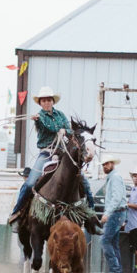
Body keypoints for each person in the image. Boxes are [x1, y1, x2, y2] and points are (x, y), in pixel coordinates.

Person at [9, 86, 95, 224]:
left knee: (83, 180)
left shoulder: (60, 115)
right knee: (30, 182)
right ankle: (17, 213)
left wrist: (65, 131)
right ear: (40, 103)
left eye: (48, 100)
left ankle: (91, 214)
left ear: (52, 101)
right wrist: (42, 122)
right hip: (46, 153)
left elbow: (69, 129)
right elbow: (48, 127)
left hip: (61, 153)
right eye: (43, 101)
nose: (46, 103)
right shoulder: (40, 117)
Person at [97, 154, 127, 273]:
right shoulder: (113, 177)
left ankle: (115, 270)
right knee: (113, 243)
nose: (105, 166)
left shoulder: (114, 178)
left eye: (107, 164)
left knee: (105, 240)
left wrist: (107, 213)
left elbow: (116, 197)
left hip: (116, 213)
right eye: (104, 164)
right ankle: (117, 272)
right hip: (118, 212)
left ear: (112, 164)